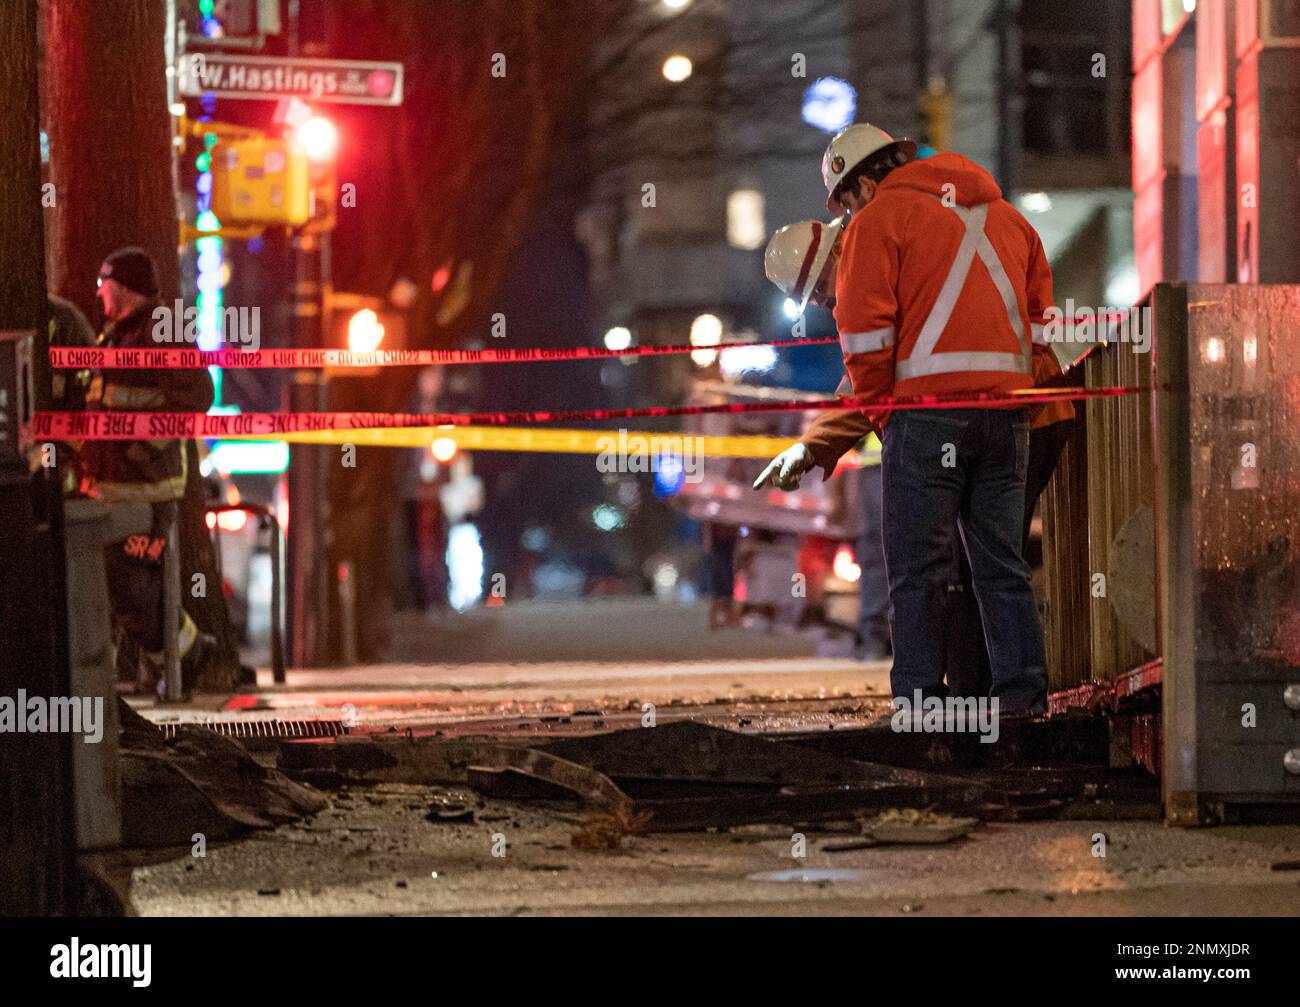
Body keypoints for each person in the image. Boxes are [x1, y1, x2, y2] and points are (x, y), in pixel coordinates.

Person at [763, 123, 1069, 713]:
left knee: (917, 570)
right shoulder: (1005, 215)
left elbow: (868, 345)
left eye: (846, 204)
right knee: (1000, 564)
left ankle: (923, 707)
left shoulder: (876, 225)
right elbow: (1039, 322)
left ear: (858, 189)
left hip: (928, 418)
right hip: (1008, 413)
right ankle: (1023, 703)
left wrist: (886, 417)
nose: (849, 217)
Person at [78, 246, 216, 696]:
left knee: (131, 586)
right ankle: (159, 664)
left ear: (123, 288)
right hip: (112, 490)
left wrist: (148, 445)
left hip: (148, 490)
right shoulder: (115, 336)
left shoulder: (162, 331)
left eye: (105, 285)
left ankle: (186, 656)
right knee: (121, 582)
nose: (99, 293)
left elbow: (197, 393)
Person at [757, 217, 889, 658]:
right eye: (810, 295)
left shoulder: (876, 286)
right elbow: (863, 381)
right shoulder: (869, 289)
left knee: (906, 556)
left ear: (836, 251)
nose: (821, 299)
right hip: (889, 452)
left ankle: (912, 668)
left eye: (818, 284)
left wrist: (812, 446)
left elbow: (868, 381)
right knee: (892, 553)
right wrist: (811, 446)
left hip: (907, 450)